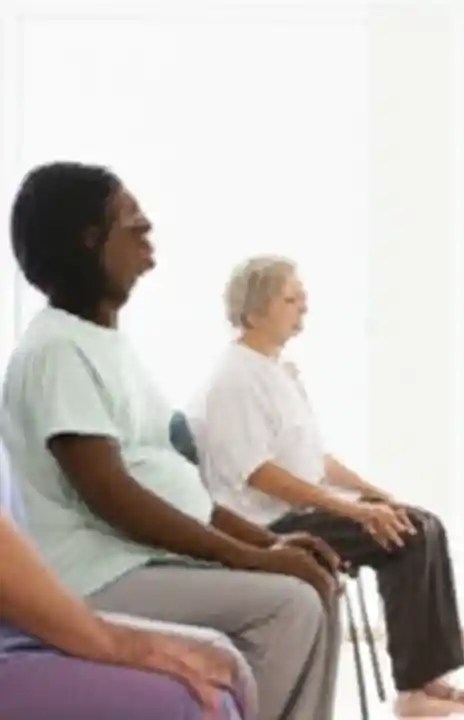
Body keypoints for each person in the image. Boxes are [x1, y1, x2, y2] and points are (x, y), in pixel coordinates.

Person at [0, 161, 343, 720]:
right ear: (90, 241)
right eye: (132, 224)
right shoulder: (56, 350)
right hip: (94, 576)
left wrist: (267, 544)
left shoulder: (105, 343)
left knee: (311, 586)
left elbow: (173, 487)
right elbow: (112, 496)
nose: (148, 231)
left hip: (136, 561)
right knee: (289, 604)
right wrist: (252, 558)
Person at [185, 255, 464, 718]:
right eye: (291, 298)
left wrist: (375, 494)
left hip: (296, 508)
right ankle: (414, 689)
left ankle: (429, 678)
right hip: (265, 523)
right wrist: (355, 512)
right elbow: (261, 473)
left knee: (419, 521)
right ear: (255, 309)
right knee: (411, 534)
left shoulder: (278, 371)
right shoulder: (234, 377)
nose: (304, 306)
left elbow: (314, 460)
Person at [0, 437, 255, 720]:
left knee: (223, 663)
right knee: (194, 703)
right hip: (84, 576)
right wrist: (115, 643)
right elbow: (108, 489)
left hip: (17, 626)